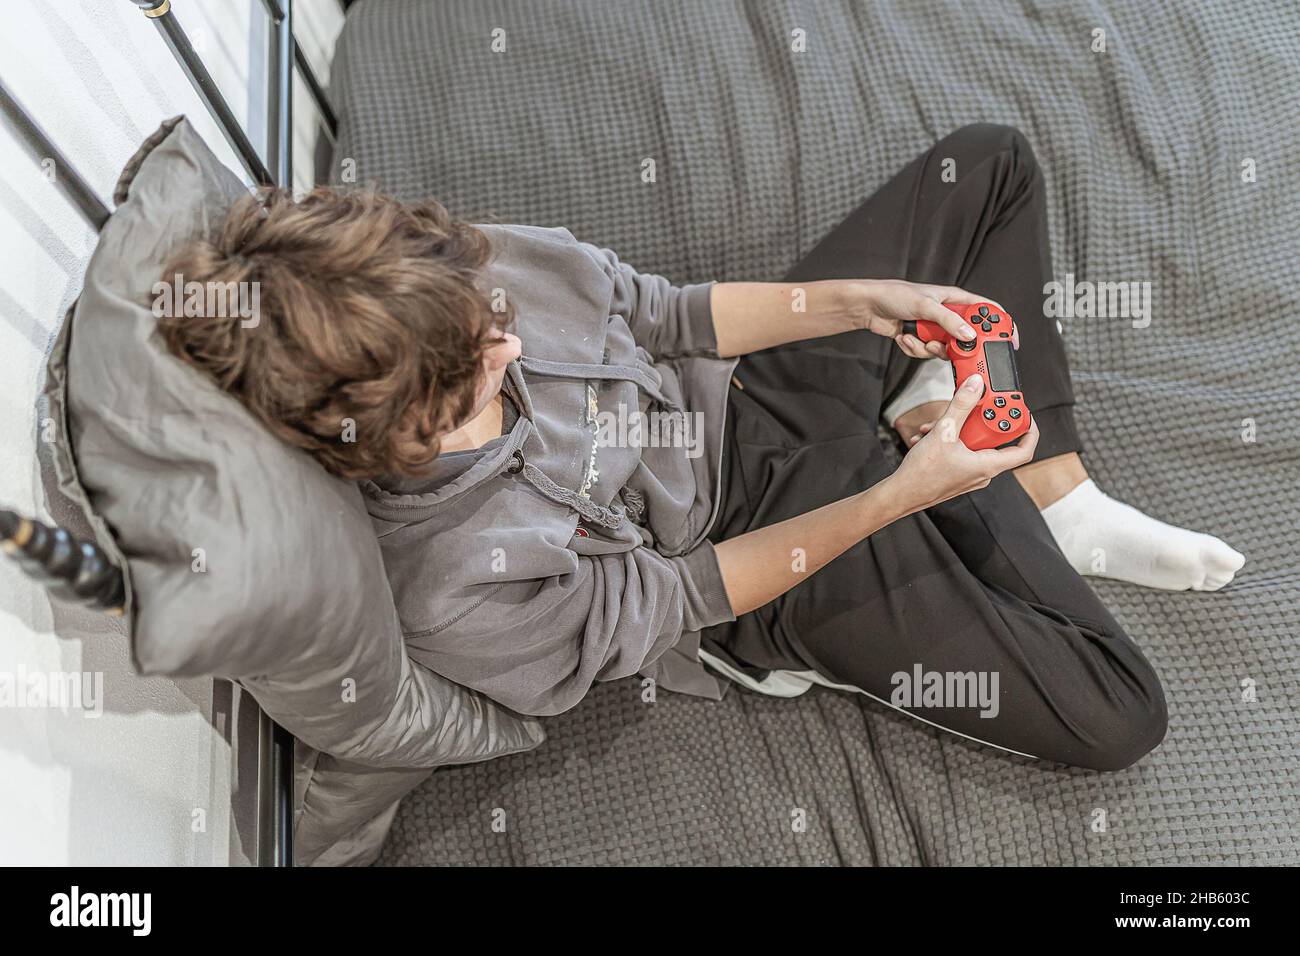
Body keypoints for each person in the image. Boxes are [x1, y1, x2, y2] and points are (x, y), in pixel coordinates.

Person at [159, 124, 1243, 771]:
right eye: (479, 362)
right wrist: (903, 493)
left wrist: (858, 300)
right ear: (399, 432)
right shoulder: (455, 584)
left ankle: (1049, 493)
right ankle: (949, 457)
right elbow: (679, 596)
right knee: (1115, 710)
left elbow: (661, 310)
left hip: (746, 394)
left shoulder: (464, 280)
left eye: (484, 306)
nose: (511, 336)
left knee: (987, 167)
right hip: (747, 555)